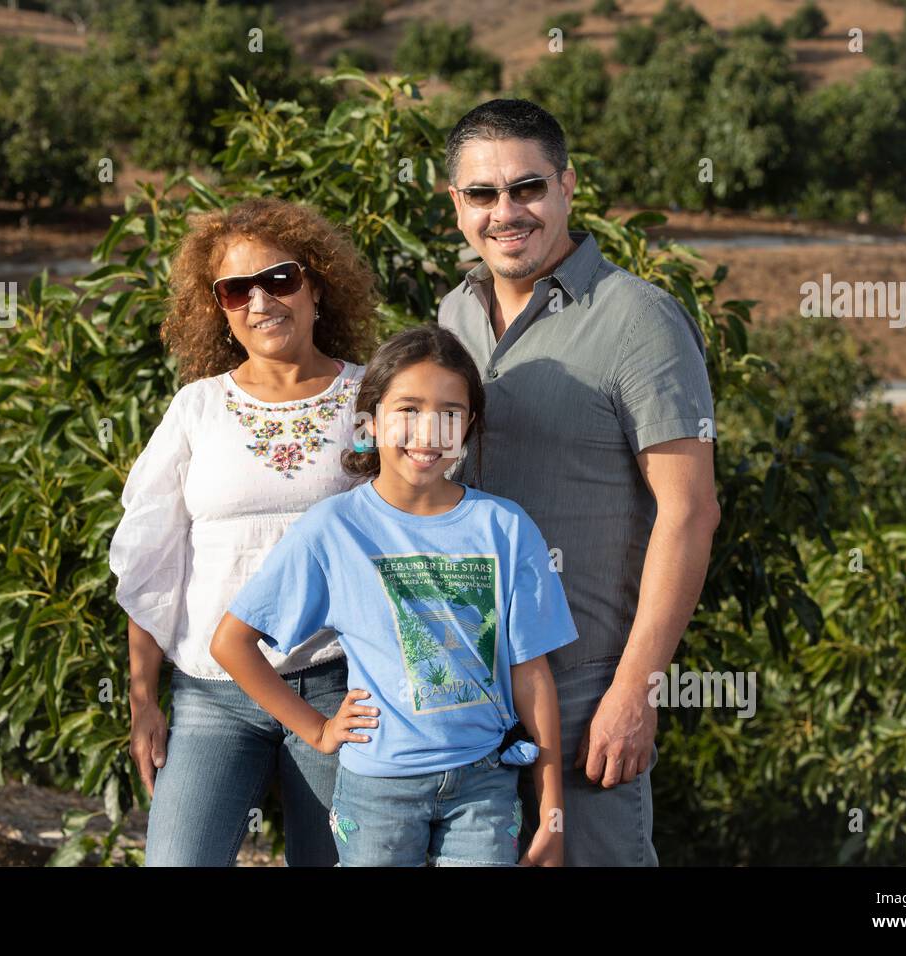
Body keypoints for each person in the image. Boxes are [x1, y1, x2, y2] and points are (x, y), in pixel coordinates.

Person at [438, 99, 721, 866]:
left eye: (527, 188)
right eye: (483, 195)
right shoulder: (453, 314)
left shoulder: (639, 319)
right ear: (455, 204)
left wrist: (636, 691)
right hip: (462, 686)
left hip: (586, 687)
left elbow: (690, 513)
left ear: (567, 187)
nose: (507, 212)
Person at [210, 324, 579, 866]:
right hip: (377, 793)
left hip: (485, 787)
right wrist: (316, 729)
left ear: (469, 425)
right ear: (370, 420)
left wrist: (552, 809)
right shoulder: (334, 529)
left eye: (449, 413)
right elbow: (231, 643)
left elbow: (532, 674)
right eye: (407, 408)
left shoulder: (505, 527)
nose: (427, 432)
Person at [109, 197, 378, 866]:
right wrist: (144, 700)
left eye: (280, 279)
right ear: (220, 310)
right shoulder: (196, 409)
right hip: (212, 694)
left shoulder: (371, 399)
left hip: (337, 682)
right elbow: (151, 563)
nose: (261, 300)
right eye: (236, 289)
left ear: (317, 284)